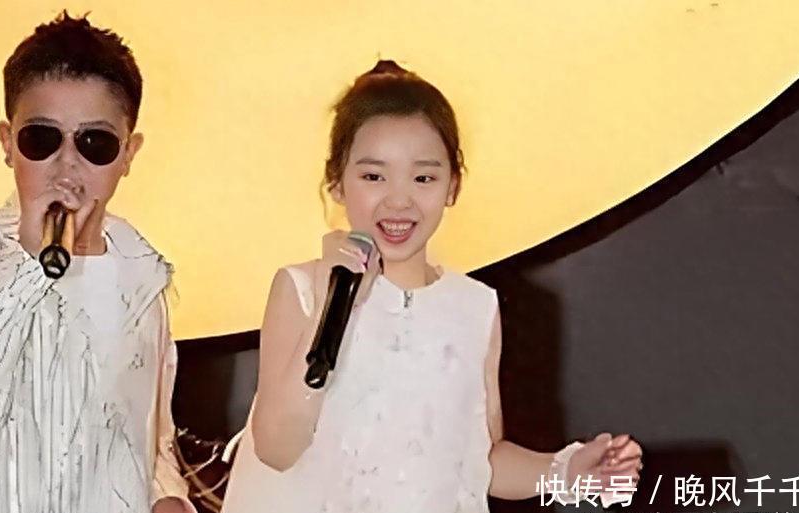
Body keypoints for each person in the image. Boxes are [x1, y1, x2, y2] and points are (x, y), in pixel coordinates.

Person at [221, 60, 643, 512]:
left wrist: (568, 470)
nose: (399, 200)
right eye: (373, 176)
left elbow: (478, 462)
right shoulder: (304, 290)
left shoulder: (474, 308)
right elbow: (276, 448)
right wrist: (333, 309)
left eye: (423, 177)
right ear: (337, 182)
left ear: (452, 186)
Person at [0, 12, 194, 513]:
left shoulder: (141, 274)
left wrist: (167, 497)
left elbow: (146, 436)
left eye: (95, 143)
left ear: (128, 153)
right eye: (42, 139)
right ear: (8, 143)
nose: (67, 165)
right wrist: (26, 265)